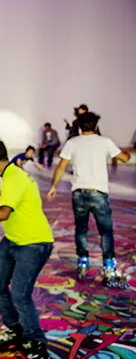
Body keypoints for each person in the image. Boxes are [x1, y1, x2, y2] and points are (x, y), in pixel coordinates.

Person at [0, 139, 56, 359]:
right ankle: (16, 329)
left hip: (34, 242)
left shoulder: (13, 177)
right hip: (14, 239)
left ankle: (40, 352)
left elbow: (3, 212)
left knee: (20, 295)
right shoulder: (13, 173)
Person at [47, 112, 131, 288]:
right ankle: (108, 266)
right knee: (105, 231)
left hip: (79, 193)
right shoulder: (105, 142)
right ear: (96, 126)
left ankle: (83, 261)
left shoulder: (72, 143)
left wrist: (53, 186)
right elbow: (124, 158)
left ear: (79, 127)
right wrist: (126, 153)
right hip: (99, 193)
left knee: (81, 229)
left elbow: (61, 166)